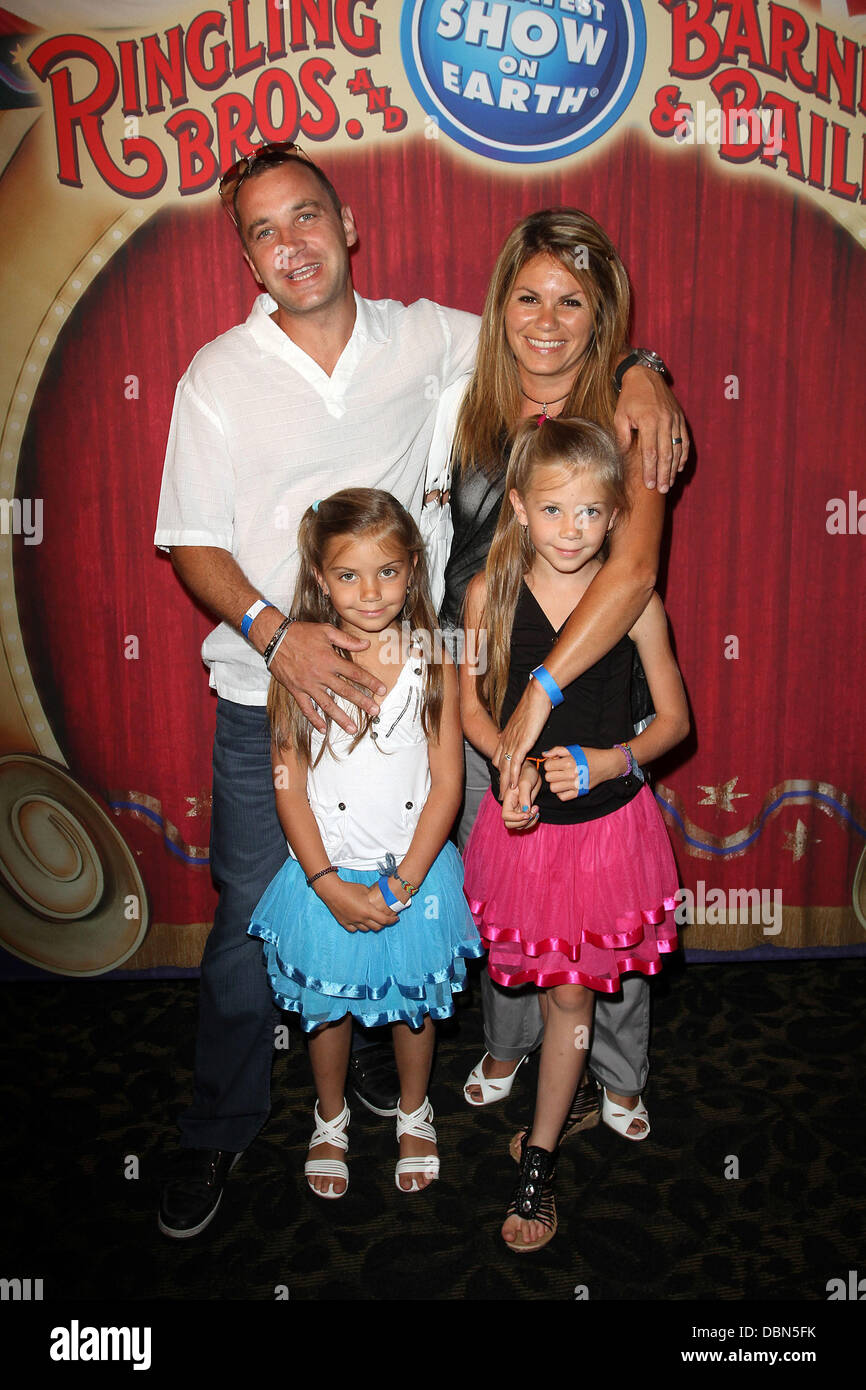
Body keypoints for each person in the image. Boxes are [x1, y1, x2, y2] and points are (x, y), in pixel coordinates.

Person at [154, 142, 683, 1239]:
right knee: (258, 918)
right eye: (263, 228)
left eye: (307, 215)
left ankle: (441, 1096)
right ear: (246, 256)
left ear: (348, 225)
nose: (291, 242)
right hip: (276, 693)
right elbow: (193, 545)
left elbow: (553, 325)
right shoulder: (215, 375)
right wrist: (273, 634)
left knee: (445, 894)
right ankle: (226, 1124)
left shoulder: (427, 335)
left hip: (418, 691)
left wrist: (646, 368)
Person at [430, 208, 687, 1138]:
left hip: (590, 677)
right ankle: (509, 1043)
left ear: (601, 311)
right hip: (480, 671)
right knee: (503, 876)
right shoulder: (468, 392)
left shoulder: (628, 412)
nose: (546, 319)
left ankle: (619, 1070)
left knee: (603, 883)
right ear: (499, 304)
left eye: (572, 300)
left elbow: (634, 572)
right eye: (528, 295)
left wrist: (642, 371)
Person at [460, 416, 689, 1251]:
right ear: (517, 506)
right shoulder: (487, 595)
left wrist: (610, 761)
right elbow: (471, 707)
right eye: (552, 510)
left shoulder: (633, 600)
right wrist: (507, 767)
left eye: (591, 513)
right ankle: (572, 1094)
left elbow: (675, 722)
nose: (571, 531)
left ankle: (540, 1162)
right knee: (553, 991)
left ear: (615, 515)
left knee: (571, 997)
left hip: (605, 837)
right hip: (523, 839)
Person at [247, 489, 481, 1197]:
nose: (370, 591)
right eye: (348, 575)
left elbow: (447, 784)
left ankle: (415, 1108)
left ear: (413, 570)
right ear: (320, 578)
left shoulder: (434, 660)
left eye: (387, 571)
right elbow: (288, 785)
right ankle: (329, 1116)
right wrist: (325, 882)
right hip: (324, 874)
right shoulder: (296, 667)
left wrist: (405, 883)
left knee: (415, 999)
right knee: (326, 1003)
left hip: (413, 873)